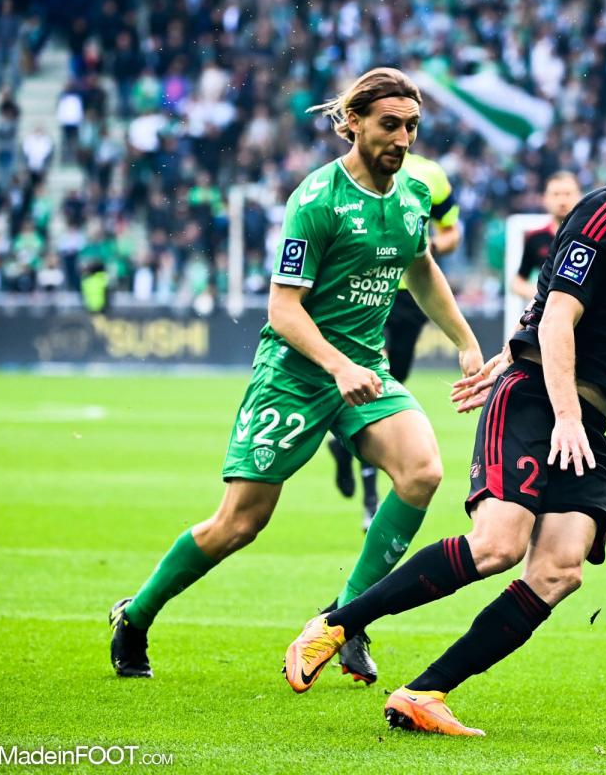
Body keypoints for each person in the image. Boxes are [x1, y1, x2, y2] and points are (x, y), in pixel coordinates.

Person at [282, 97, 606, 737]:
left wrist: (518, 357)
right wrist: (555, 404)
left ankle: (424, 694)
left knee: (559, 569)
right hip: (539, 404)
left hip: (579, 420)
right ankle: (335, 623)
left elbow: (554, 309)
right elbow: (560, 316)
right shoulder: (603, 216)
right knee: (497, 545)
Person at [109, 68, 484, 689]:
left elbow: (421, 268)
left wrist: (467, 343)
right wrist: (337, 367)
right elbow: (283, 308)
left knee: (422, 472)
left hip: (364, 370)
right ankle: (136, 615)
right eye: (390, 124)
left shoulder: (415, 194)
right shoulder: (318, 199)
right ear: (354, 123)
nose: (403, 138)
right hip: (296, 373)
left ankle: (343, 622)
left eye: (412, 126)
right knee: (240, 523)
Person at [326, 149, 462, 530]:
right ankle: (371, 502)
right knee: (372, 386)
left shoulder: (430, 175)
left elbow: (451, 230)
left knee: (388, 387)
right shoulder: (351, 174)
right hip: (364, 291)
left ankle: (344, 446)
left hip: (408, 298)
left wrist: (425, 248)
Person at [510, 171, 581, 301]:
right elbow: (517, 282)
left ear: (579, 196)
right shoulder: (535, 238)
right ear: (545, 199)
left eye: (567, 194)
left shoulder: (592, 235)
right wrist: (543, 293)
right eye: (556, 194)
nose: (562, 200)